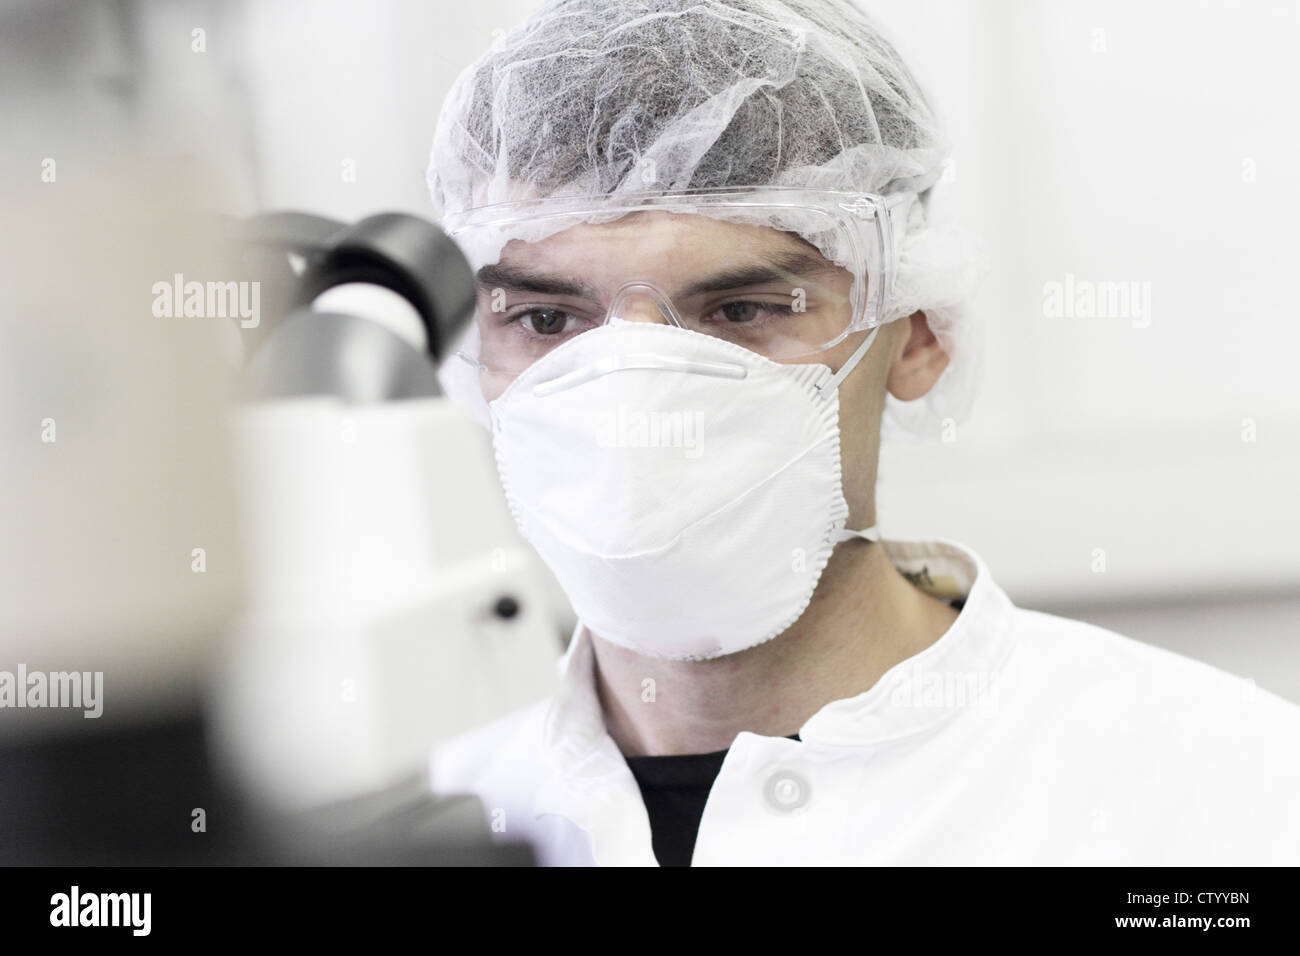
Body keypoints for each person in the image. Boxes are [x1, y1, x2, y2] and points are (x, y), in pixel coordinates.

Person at [422, 0, 1300, 865]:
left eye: (741, 309)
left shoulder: (1223, 792)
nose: (636, 390)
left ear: (918, 332)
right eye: (544, 320)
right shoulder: (427, 819)